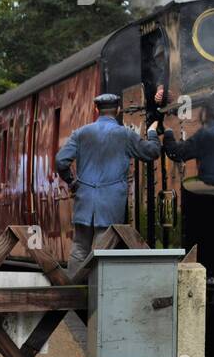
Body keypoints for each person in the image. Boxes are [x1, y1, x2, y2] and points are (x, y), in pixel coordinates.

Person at [56, 93, 160, 275]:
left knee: (80, 249)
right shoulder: (125, 135)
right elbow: (151, 152)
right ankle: (97, 297)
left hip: (84, 200)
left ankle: (72, 294)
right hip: (110, 203)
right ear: (118, 110)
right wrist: (152, 132)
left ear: (96, 109)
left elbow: (60, 161)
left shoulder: (81, 133)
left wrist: (72, 182)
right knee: (102, 252)